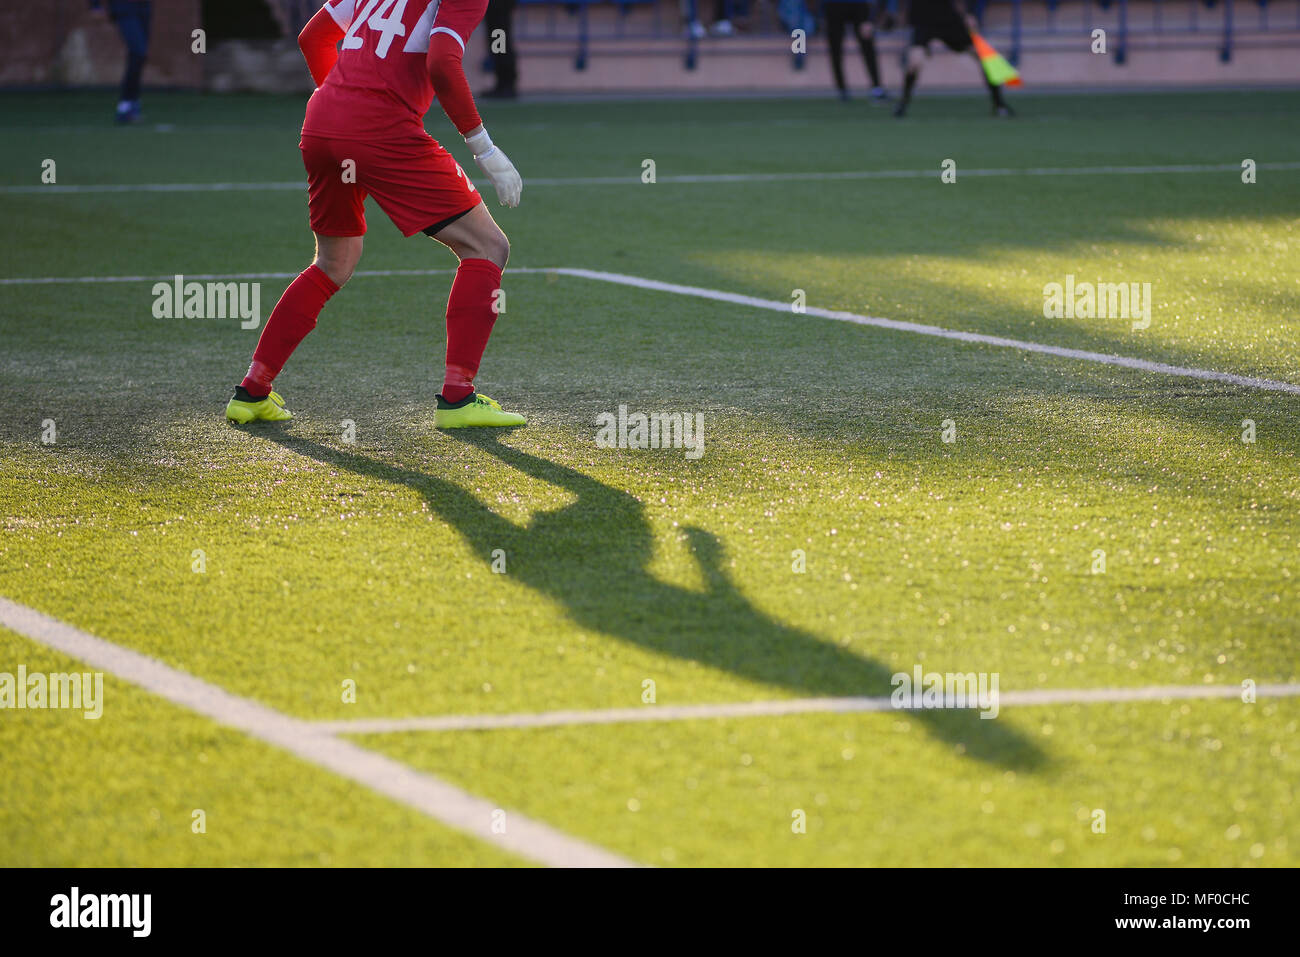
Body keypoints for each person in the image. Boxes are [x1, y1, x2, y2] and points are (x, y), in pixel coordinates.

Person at [225, 0, 527, 430]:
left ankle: (252, 392)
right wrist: (484, 148)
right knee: (488, 246)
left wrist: (342, 101)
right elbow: (443, 62)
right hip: (380, 130)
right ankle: (458, 398)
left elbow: (312, 38)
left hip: (322, 123)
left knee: (332, 264)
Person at [893, 0, 1013, 118]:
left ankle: (999, 104)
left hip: (947, 18)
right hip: (923, 20)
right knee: (915, 61)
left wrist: (970, 14)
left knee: (984, 56)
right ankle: (903, 104)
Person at [88, 0, 153, 123]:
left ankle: (132, 104)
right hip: (124, 7)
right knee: (138, 52)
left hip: (144, 7)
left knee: (140, 55)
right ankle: (125, 105)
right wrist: (95, 6)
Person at [822, 0, 887, 101]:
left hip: (858, 4)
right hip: (834, 5)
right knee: (836, 50)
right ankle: (842, 90)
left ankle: (877, 88)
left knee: (868, 47)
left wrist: (869, 18)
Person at [482, 0, 518, 98]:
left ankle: (506, 83)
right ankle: (502, 82)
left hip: (499, 5)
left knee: (500, 40)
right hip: (496, 6)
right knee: (496, 42)